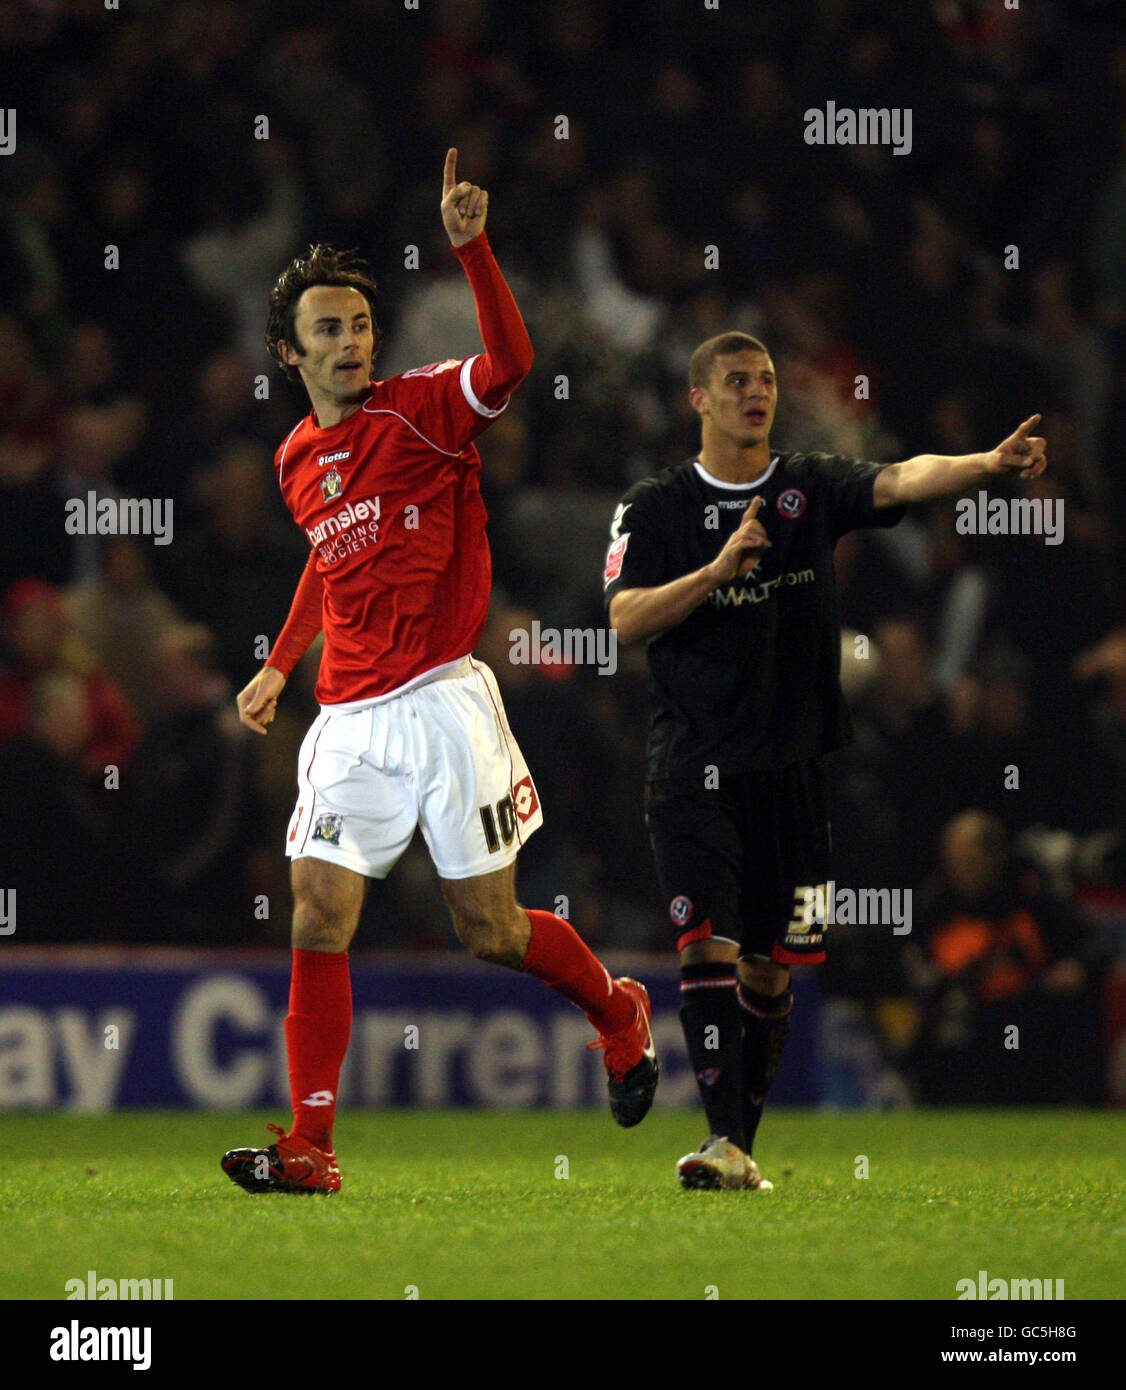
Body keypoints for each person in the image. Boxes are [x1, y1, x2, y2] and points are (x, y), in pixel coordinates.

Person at [221, 150, 657, 1195]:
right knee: (319, 911)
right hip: (348, 718)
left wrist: (473, 251)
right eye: (329, 329)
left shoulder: (422, 407)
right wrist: (282, 664)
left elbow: (508, 360)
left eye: (360, 324)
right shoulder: (293, 461)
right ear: (290, 350)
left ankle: (616, 1009)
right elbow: (329, 565)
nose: (350, 341)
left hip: (444, 702)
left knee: (490, 932)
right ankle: (311, 1147)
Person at [603, 330, 1047, 1190]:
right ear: (700, 399)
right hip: (691, 770)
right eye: (735, 381)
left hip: (798, 774)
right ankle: (722, 1142)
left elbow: (900, 478)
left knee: (775, 970)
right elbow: (623, 619)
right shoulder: (654, 506)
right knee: (708, 947)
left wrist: (985, 464)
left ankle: (740, 1147)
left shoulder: (809, 484)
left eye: (765, 379)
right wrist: (718, 567)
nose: (754, 392)